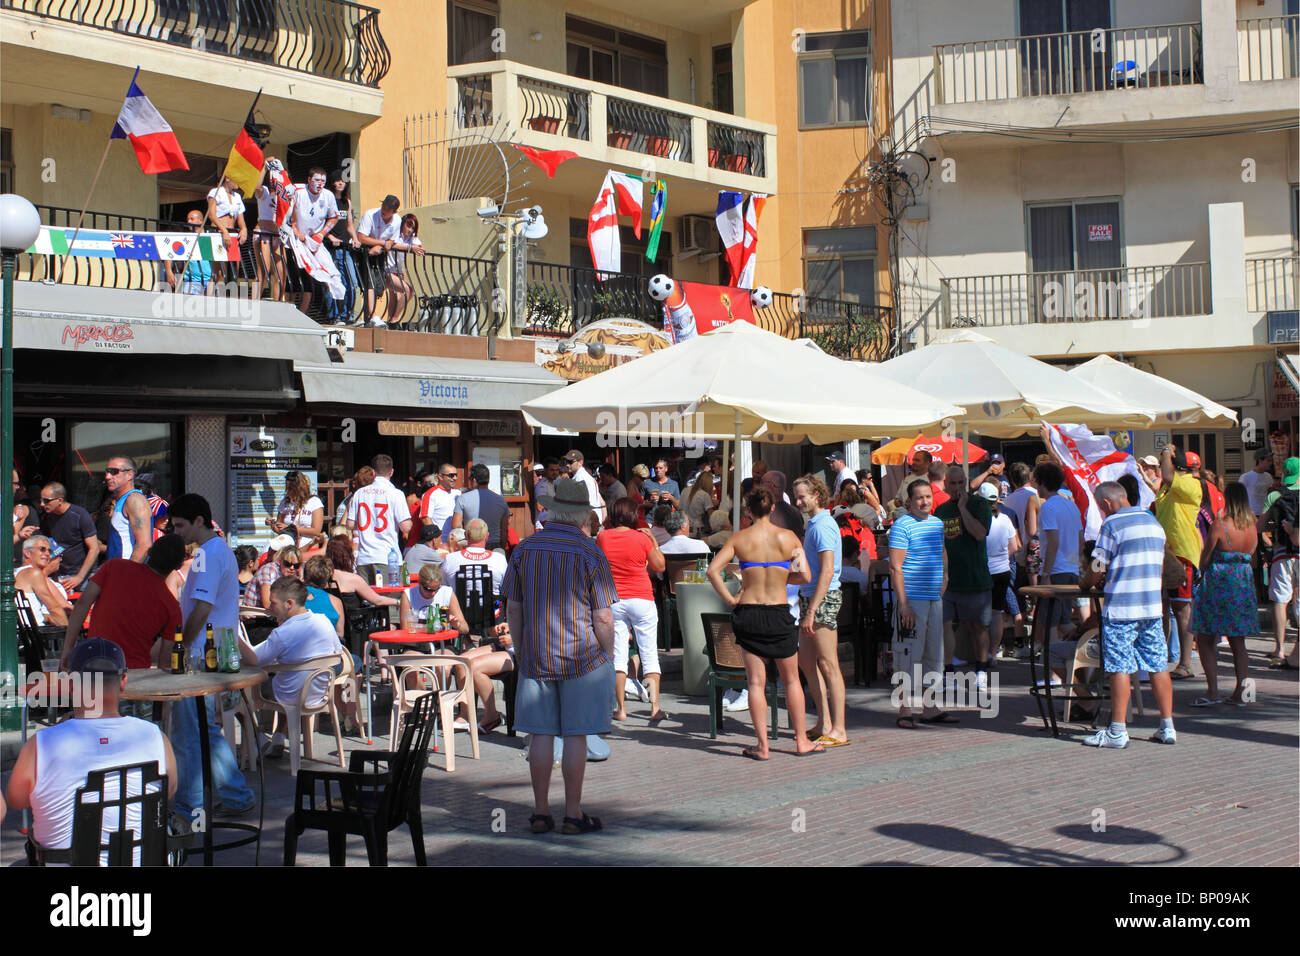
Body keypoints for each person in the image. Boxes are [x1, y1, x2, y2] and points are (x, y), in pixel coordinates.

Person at [502, 478, 617, 835]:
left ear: (552, 510)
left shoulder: (524, 549)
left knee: (540, 734)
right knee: (576, 736)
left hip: (537, 653)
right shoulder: (590, 551)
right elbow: (603, 615)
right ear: (583, 513)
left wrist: (521, 650)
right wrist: (608, 652)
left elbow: (514, 609)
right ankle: (572, 813)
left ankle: (540, 813)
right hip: (581, 655)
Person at [5, 638, 178, 865]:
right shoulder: (155, 737)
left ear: (70, 684)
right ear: (124, 680)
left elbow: (16, 800)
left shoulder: (41, 745)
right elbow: (168, 791)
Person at [706, 487, 821, 758]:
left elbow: (713, 571)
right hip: (778, 611)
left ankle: (762, 746)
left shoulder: (740, 538)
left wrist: (731, 599)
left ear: (747, 510)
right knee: (792, 680)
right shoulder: (789, 537)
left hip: (749, 613)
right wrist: (782, 578)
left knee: (755, 683)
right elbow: (805, 576)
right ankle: (801, 741)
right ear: (772, 509)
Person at [168, 494, 255, 817]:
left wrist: (181, 645)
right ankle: (232, 794)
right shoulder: (221, 551)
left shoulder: (206, 554)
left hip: (200, 653)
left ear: (199, 521)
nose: (177, 532)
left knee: (190, 733)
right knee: (202, 729)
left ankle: (190, 805)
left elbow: (201, 607)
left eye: (180, 525)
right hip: (213, 649)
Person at [1081, 482, 1177, 748]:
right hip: (1150, 607)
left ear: (1107, 503)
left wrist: (1084, 584)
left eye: (1101, 507)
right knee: (1158, 665)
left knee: (1119, 667)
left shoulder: (1112, 525)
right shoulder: (1152, 522)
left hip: (1122, 607)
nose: (1101, 512)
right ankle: (1167, 725)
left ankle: (1117, 730)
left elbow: (1098, 566)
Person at [238, 576, 345, 756]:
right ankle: (279, 736)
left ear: (288, 603)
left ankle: (259, 738)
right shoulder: (324, 621)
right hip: (318, 693)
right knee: (287, 677)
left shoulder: (282, 633)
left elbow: (254, 660)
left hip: (289, 695)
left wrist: (234, 635)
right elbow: (336, 652)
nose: (270, 608)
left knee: (237, 693)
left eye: (273, 604)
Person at [60, 534, 185, 672]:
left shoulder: (114, 567)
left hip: (94, 663)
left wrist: (67, 649)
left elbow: (82, 604)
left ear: (150, 552)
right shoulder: (172, 608)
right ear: (178, 566)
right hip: (134, 674)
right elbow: (166, 662)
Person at [888, 478, 953, 727]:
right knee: (907, 654)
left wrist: (945, 575)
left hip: (934, 598)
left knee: (933, 655)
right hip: (912, 600)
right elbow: (895, 566)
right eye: (919, 498)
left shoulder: (936, 524)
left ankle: (930, 707)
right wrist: (903, 604)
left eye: (928, 496)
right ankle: (904, 709)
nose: (925, 501)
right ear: (910, 501)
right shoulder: (902, 525)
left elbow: (942, 551)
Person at [597, 498, 667, 723]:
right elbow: (660, 566)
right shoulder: (641, 538)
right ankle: (655, 708)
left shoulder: (603, 537)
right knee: (649, 653)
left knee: (618, 655)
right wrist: (653, 540)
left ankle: (621, 709)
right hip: (642, 598)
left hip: (614, 600)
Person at [792, 474, 848, 748]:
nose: (799, 501)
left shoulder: (823, 525)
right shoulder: (815, 524)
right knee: (807, 661)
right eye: (797, 497)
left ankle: (839, 728)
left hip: (821, 597)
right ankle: (824, 722)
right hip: (810, 596)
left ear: (817, 495)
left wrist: (812, 608)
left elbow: (827, 570)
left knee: (828, 664)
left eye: (803, 496)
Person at [1189, 483, 1258, 706]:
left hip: (1219, 583)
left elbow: (1206, 555)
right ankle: (1242, 691)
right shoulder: (1252, 526)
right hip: (1242, 584)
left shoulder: (1221, 524)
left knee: (1206, 638)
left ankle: (1213, 691)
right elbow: (1253, 557)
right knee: (1239, 642)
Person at [932, 465, 994, 687]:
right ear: (946, 484)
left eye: (961, 483)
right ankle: (948, 673)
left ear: (966, 483)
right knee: (945, 625)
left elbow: (979, 534)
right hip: (948, 581)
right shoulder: (940, 511)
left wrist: (963, 508)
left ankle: (981, 670)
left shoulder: (979, 505)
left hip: (975, 579)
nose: (957, 487)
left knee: (979, 626)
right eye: (953, 483)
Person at [1153, 446, 1203, 679]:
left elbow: (1169, 475)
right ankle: (1159, 658)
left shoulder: (1191, 483)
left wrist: (1165, 453)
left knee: (1182, 609)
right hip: (1164, 552)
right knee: (1161, 608)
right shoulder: (1167, 487)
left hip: (1182, 553)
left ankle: (1185, 663)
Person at [1036, 461, 1084, 644]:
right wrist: (1073, 566)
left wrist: (1046, 574)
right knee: (1064, 622)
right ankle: (1079, 663)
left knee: (1050, 624)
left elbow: (1053, 542)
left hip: (1056, 572)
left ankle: (1052, 670)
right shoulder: (1071, 505)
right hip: (1070, 571)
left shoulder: (1048, 507)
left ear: (1042, 483)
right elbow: (1080, 542)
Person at [346, 453, 413, 584]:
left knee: (367, 601)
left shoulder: (359, 493)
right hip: (387, 557)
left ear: (373, 472)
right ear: (391, 472)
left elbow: (349, 524)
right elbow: (405, 527)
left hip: (364, 557)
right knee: (388, 599)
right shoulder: (396, 494)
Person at [1259, 457, 1298, 666]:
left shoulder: (1275, 495)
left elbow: (1260, 526)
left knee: (1280, 601)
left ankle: (1279, 649)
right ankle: (1297, 651)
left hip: (1282, 552)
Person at [288, 166, 340, 317]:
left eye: (323, 180)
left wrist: (322, 233)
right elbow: (288, 213)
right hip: (294, 242)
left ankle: (300, 316)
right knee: (292, 281)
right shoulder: (298, 191)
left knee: (313, 279)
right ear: (309, 180)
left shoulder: (328, 195)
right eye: (317, 180)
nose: (320, 183)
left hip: (313, 244)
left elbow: (334, 216)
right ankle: (288, 313)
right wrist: (296, 231)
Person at [980, 482, 1021, 663]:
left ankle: (981, 653)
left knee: (980, 614)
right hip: (1002, 570)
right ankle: (993, 653)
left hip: (982, 572)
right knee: (996, 613)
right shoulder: (1005, 519)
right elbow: (1014, 547)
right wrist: (1001, 555)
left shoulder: (978, 520)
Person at [38, 482, 100, 591]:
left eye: (46, 501)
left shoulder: (80, 515)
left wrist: (79, 577)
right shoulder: (50, 516)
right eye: (41, 500)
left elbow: (94, 549)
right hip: (63, 575)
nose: (42, 504)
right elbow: (56, 545)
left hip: (84, 575)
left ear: (60, 500)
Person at [356, 194, 404, 325]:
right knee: (369, 283)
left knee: (378, 285)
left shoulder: (397, 220)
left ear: (394, 212)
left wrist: (380, 245)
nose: (384, 209)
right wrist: (382, 243)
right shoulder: (370, 215)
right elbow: (361, 237)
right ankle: (372, 315)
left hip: (379, 253)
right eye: (384, 205)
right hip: (363, 251)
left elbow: (391, 241)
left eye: (388, 209)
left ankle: (372, 316)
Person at [252, 157, 294, 302]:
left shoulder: (287, 197)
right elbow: (256, 187)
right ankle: (254, 303)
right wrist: (264, 167)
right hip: (263, 234)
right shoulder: (264, 192)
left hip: (278, 235)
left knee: (281, 272)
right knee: (264, 270)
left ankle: (277, 303)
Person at [323, 171, 361, 326]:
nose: (340, 183)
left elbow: (349, 224)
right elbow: (320, 224)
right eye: (337, 180)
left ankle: (348, 314)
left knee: (352, 282)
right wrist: (330, 237)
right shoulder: (327, 201)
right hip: (331, 248)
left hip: (345, 248)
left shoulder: (347, 202)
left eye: (342, 181)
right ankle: (335, 316)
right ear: (332, 183)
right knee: (332, 282)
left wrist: (355, 239)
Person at [323, 537, 399, 609]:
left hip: (330, 620)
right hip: (353, 621)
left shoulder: (323, 577)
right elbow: (377, 600)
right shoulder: (353, 579)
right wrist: (398, 602)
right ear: (347, 554)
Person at [441, 518, 508, 595]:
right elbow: (506, 588)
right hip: (492, 606)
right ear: (487, 536)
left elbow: (444, 588)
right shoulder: (499, 559)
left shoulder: (450, 559)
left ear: (466, 536)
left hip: (458, 606)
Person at [452, 463, 510, 552]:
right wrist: (500, 547)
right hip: (494, 544)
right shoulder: (501, 500)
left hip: (472, 544)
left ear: (474, 480)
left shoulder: (463, 498)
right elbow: (504, 529)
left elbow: (456, 526)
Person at [104, 455, 151, 562]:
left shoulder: (134, 500)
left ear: (130, 474)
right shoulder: (124, 500)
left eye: (114, 471)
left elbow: (144, 545)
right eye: (107, 471)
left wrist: (128, 575)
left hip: (127, 573)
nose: (107, 476)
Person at [16, 535, 72, 626]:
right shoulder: (34, 573)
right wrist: (69, 635)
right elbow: (54, 608)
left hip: (25, 633)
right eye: (42, 549)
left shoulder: (18, 572)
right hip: (33, 636)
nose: (47, 554)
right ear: (27, 553)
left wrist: (46, 616)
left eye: (49, 551)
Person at [383, 213, 425, 326]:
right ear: (403, 223)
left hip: (398, 273)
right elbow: (392, 245)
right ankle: (394, 320)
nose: (410, 230)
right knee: (408, 291)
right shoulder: (396, 234)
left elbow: (421, 247)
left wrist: (417, 245)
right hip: (387, 271)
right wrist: (410, 248)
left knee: (395, 297)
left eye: (413, 228)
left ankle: (390, 321)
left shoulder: (410, 239)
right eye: (408, 225)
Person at [268, 471, 325, 551]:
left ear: (299, 488)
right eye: (286, 488)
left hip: (308, 547)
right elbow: (279, 527)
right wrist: (272, 524)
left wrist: (291, 528)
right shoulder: (285, 502)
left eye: (290, 488)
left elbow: (316, 531)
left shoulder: (314, 502)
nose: (288, 491)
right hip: (287, 549)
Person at [206, 175, 247, 281]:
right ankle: (210, 296)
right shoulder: (215, 192)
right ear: (228, 178)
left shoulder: (237, 197)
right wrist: (224, 231)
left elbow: (240, 219)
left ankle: (229, 296)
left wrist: (243, 229)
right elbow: (212, 215)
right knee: (218, 273)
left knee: (234, 272)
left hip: (232, 234)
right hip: (218, 232)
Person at [165, 210, 216, 295]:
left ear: (201, 221)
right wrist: (168, 271)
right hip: (191, 282)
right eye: (188, 219)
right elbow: (170, 252)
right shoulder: (186, 239)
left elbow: (217, 261)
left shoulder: (209, 237)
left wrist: (213, 279)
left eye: (192, 219)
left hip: (210, 281)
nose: (189, 221)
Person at [245, 539, 299, 609]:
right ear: (280, 560)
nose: (292, 568)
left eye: (296, 565)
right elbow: (267, 603)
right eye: (287, 563)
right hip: (257, 615)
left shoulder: (291, 574)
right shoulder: (269, 570)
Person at [302, 555, 345, 640]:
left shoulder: (293, 597)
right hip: (328, 650)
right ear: (327, 578)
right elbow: (340, 634)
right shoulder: (336, 602)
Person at [420, 463, 462, 541]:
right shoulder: (430, 494)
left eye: (456, 475)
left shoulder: (458, 493)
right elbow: (425, 518)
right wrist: (437, 540)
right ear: (440, 477)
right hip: (441, 542)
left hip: (457, 542)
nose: (455, 478)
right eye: (451, 475)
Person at [563, 449, 605, 524]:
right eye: (566, 462)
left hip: (587, 522)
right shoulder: (583, 477)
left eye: (571, 462)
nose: (567, 464)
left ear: (580, 462)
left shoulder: (581, 478)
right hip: (591, 521)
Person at [1238, 449, 1275, 516]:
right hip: (1250, 515)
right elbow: (1238, 497)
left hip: (1264, 514)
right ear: (1260, 460)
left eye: (1271, 461)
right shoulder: (1245, 477)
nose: (1271, 463)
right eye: (1268, 460)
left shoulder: (1268, 477)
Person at [681, 470, 715, 536]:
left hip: (684, 527)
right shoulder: (704, 495)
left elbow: (680, 508)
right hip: (698, 530)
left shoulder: (685, 490)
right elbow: (712, 516)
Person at [533, 458, 560, 527]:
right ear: (545, 470)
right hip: (543, 525)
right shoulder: (542, 485)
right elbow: (539, 506)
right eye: (552, 470)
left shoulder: (551, 483)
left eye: (557, 470)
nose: (555, 472)